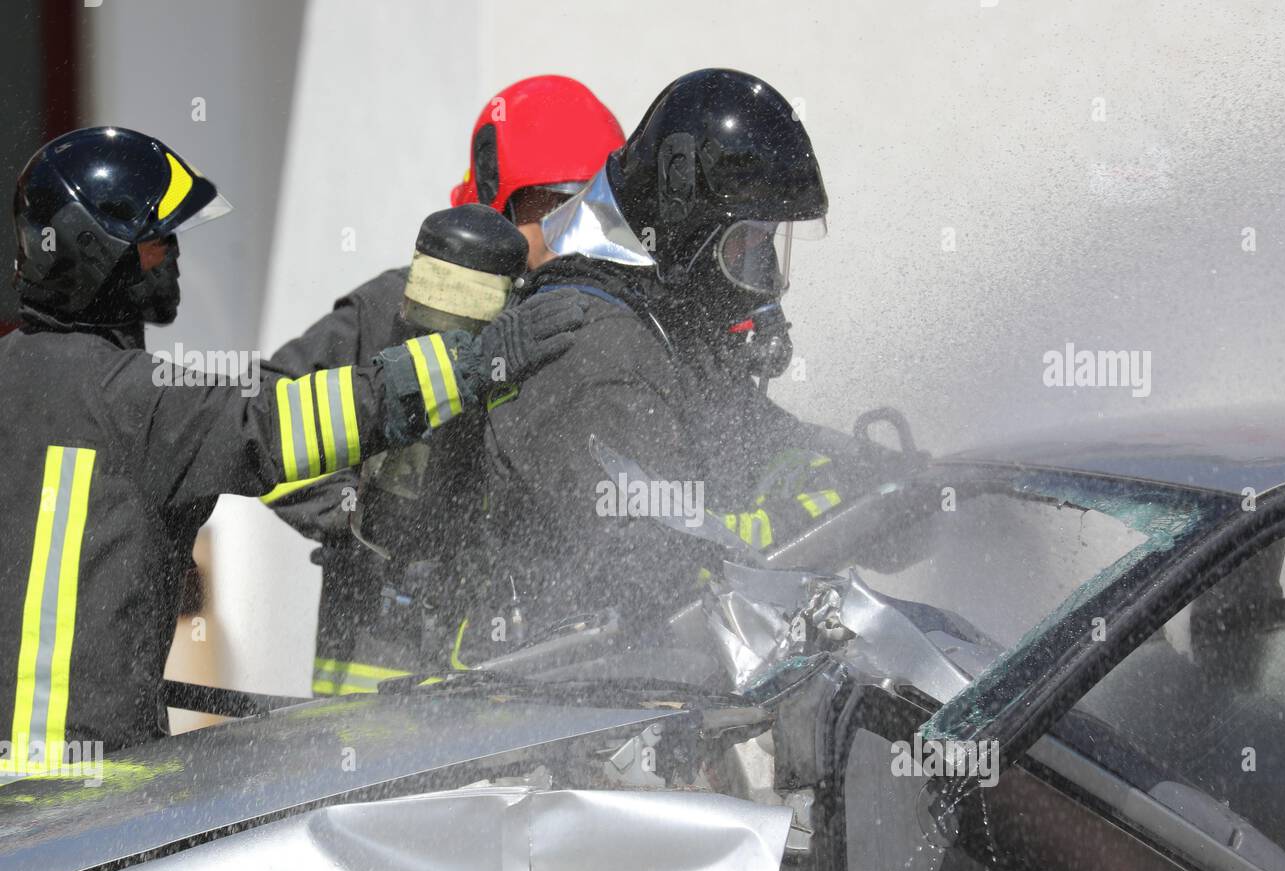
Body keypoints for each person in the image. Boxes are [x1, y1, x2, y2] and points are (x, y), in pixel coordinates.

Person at [0, 126, 584, 769]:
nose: (172, 257)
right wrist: (470, 364)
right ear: (98, 253)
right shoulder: (136, 402)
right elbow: (281, 425)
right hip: (65, 795)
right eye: (157, 242)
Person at [444, 69, 890, 666]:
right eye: (746, 244)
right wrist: (822, 512)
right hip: (554, 728)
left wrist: (882, 481)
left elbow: (753, 432)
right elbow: (670, 557)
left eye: (768, 245)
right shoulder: (597, 353)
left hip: (643, 711)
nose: (764, 274)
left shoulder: (662, 326)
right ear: (688, 232)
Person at [261, 75, 624, 693]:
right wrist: (357, 513)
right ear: (498, 206)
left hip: (522, 684)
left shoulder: (595, 322)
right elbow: (269, 414)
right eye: (560, 207)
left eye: (599, 210)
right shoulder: (395, 309)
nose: (581, 234)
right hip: (380, 679)